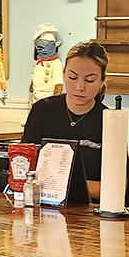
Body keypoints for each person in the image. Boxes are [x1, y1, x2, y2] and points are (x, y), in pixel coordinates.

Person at [22, 39, 108, 202]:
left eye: (90, 80)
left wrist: (61, 185)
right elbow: (25, 168)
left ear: (102, 81)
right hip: (43, 207)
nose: (80, 87)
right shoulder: (42, 111)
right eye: (72, 77)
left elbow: (117, 186)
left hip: (91, 212)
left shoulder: (109, 120)